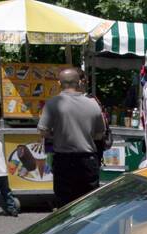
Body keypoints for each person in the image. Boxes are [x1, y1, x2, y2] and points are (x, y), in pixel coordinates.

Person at [37, 66, 105, 208]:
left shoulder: (53, 103)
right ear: (79, 82)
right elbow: (99, 134)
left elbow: (43, 131)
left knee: (65, 204)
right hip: (88, 160)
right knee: (88, 203)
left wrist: (57, 134)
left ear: (59, 83)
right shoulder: (93, 104)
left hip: (64, 160)